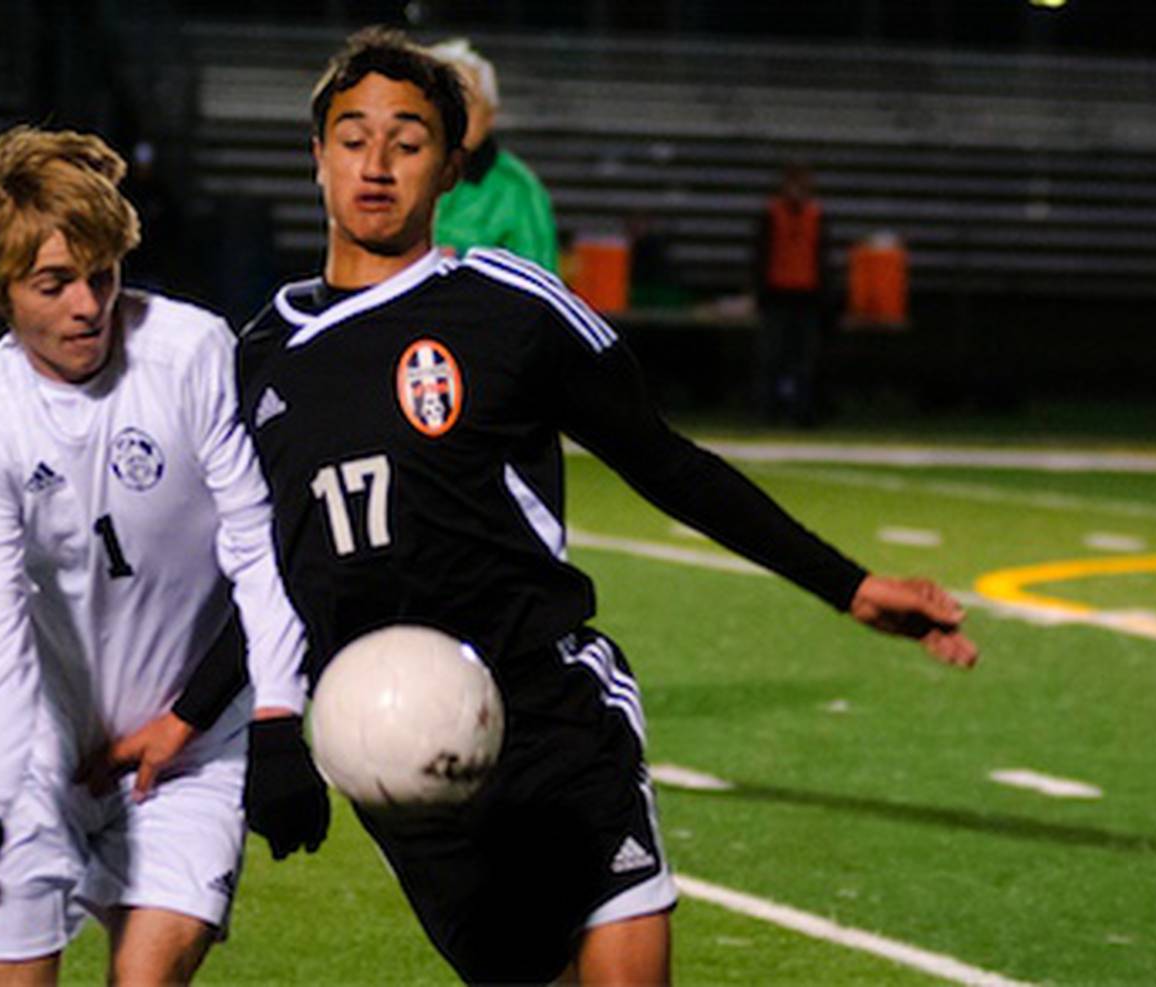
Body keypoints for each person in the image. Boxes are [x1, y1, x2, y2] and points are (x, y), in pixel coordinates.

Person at [235, 28, 978, 986]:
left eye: (408, 141)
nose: (376, 164)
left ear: (451, 166)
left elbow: (666, 462)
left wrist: (849, 584)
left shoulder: (509, 306)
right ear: (317, 155)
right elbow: (254, 566)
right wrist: (252, 726)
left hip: (548, 706)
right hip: (388, 743)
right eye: (352, 136)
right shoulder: (258, 358)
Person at [0, 125, 324, 986]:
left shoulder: (191, 352)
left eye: (101, 275)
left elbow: (258, 549)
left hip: (194, 749)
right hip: (45, 752)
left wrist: (280, 718)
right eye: (54, 283)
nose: (88, 305)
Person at [429, 38, 559, 272]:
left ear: (491, 115)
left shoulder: (517, 189)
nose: (455, 114)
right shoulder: (390, 172)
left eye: (468, 102)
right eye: (443, 101)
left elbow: (538, 285)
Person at [753, 161, 831, 426]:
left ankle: (802, 413)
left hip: (807, 295)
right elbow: (760, 254)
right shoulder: (772, 213)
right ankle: (768, 412)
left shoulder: (816, 215)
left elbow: (823, 256)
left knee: (805, 361)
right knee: (771, 358)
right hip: (777, 294)